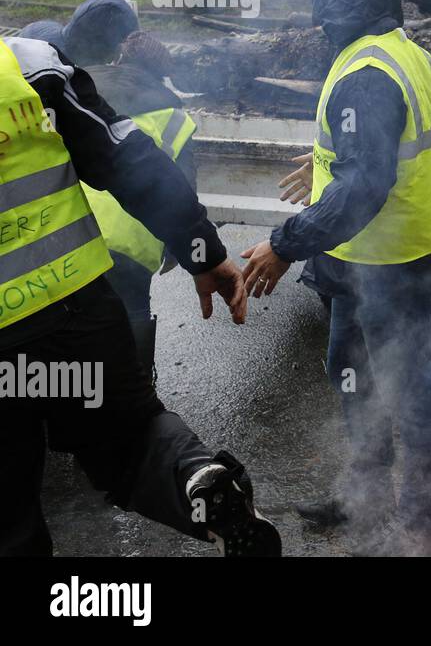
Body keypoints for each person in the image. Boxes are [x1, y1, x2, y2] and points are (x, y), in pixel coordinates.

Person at [0, 35, 277, 556]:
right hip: (74, 311)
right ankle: (200, 483)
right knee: (129, 439)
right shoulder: (27, 64)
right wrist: (202, 251)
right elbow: (127, 160)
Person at [240, 0, 431, 556]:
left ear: (335, 12)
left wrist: (284, 245)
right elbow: (373, 156)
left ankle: (420, 525)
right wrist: (327, 168)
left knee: (412, 394)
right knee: (351, 375)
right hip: (363, 263)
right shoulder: (404, 51)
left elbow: (368, 182)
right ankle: (362, 496)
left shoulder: (366, 73)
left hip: (394, 266)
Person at [80, 31, 198, 376]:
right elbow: (181, 192)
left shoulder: (80, 92)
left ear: (119, 58)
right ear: (162, 75)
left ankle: (69, 393)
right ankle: (137, 390)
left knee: (70, 317)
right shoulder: (175, 118)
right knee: (132, 314)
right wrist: (180, 249)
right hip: (132, 243)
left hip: (71, 231)